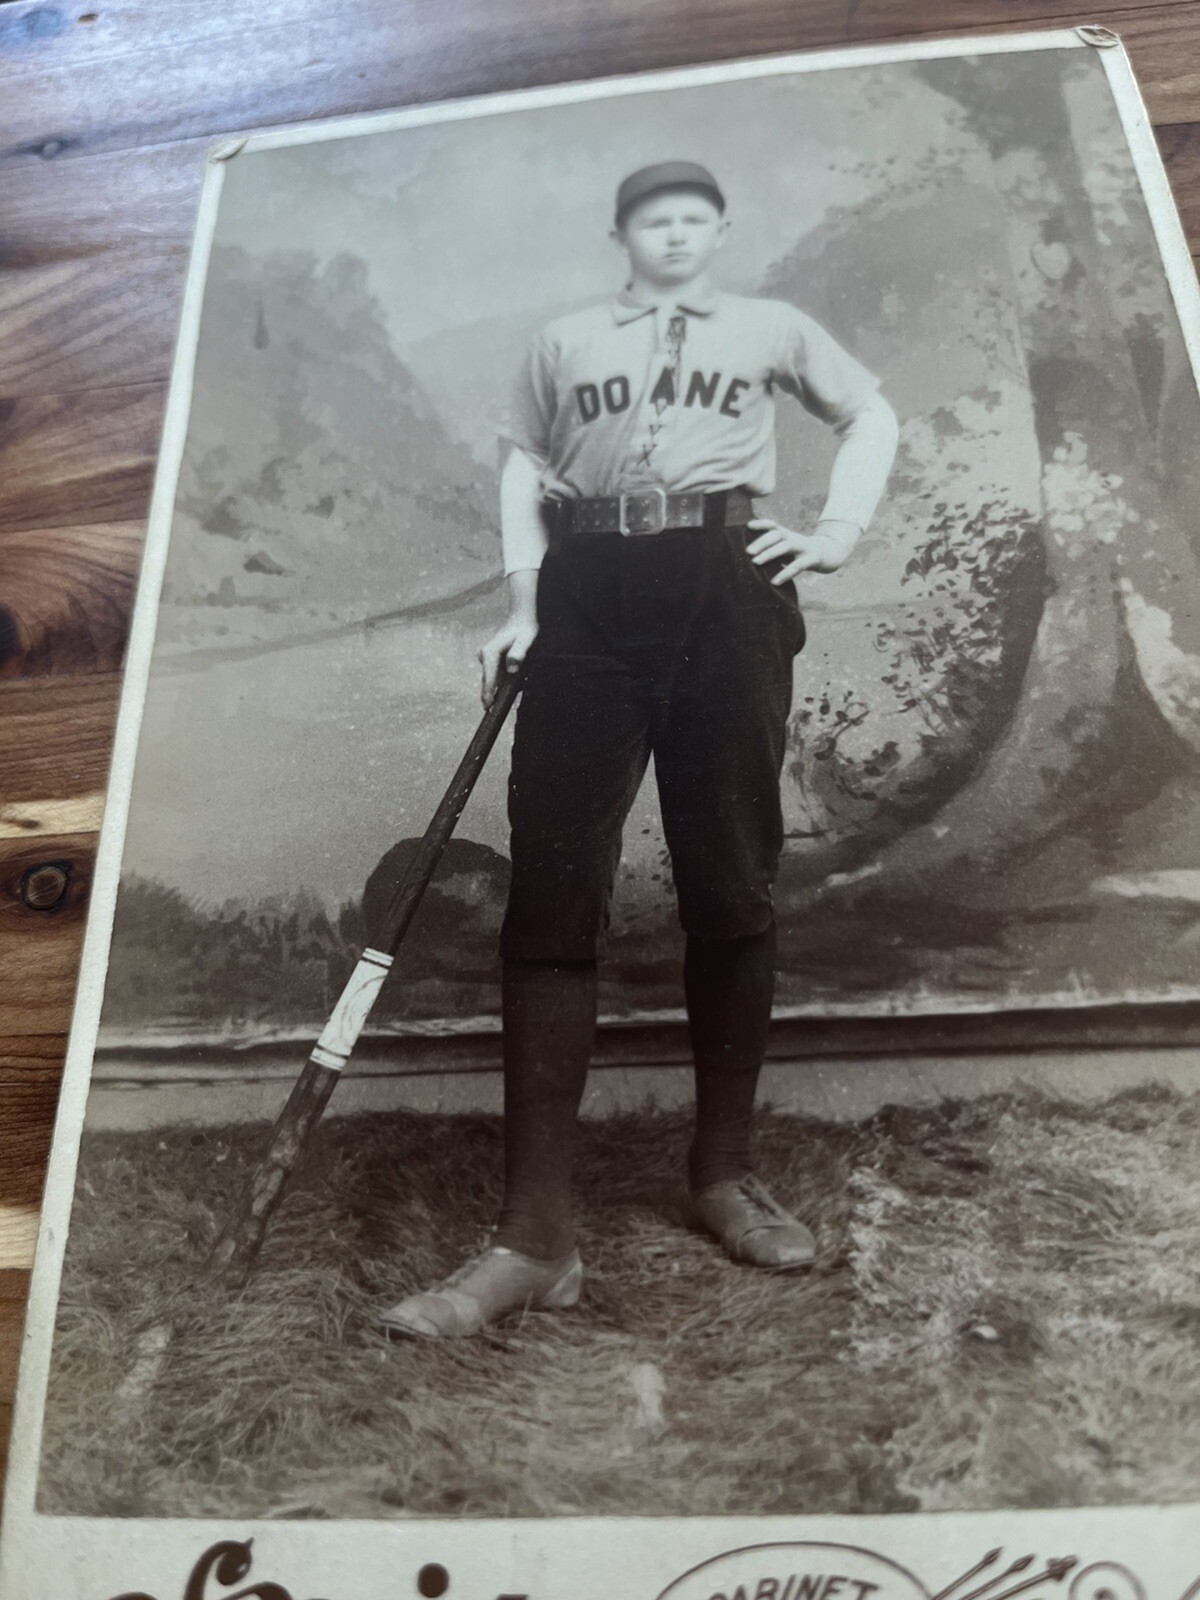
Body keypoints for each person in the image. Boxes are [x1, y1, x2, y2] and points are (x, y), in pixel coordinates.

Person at [379, 160, 898, 1339]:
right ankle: (534, 1238)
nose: (675, 235)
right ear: (620, 233)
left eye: (696, 219)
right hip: (590, 591)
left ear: (719, 231)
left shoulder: (770, 326)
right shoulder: (564, 340)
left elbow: (871, 414)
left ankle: (722, 1172)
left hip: (727, 586)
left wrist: (840, 533)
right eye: (654, 219)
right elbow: (523, 468)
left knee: (731, 873)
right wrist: (522, 605)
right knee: (554, 888)